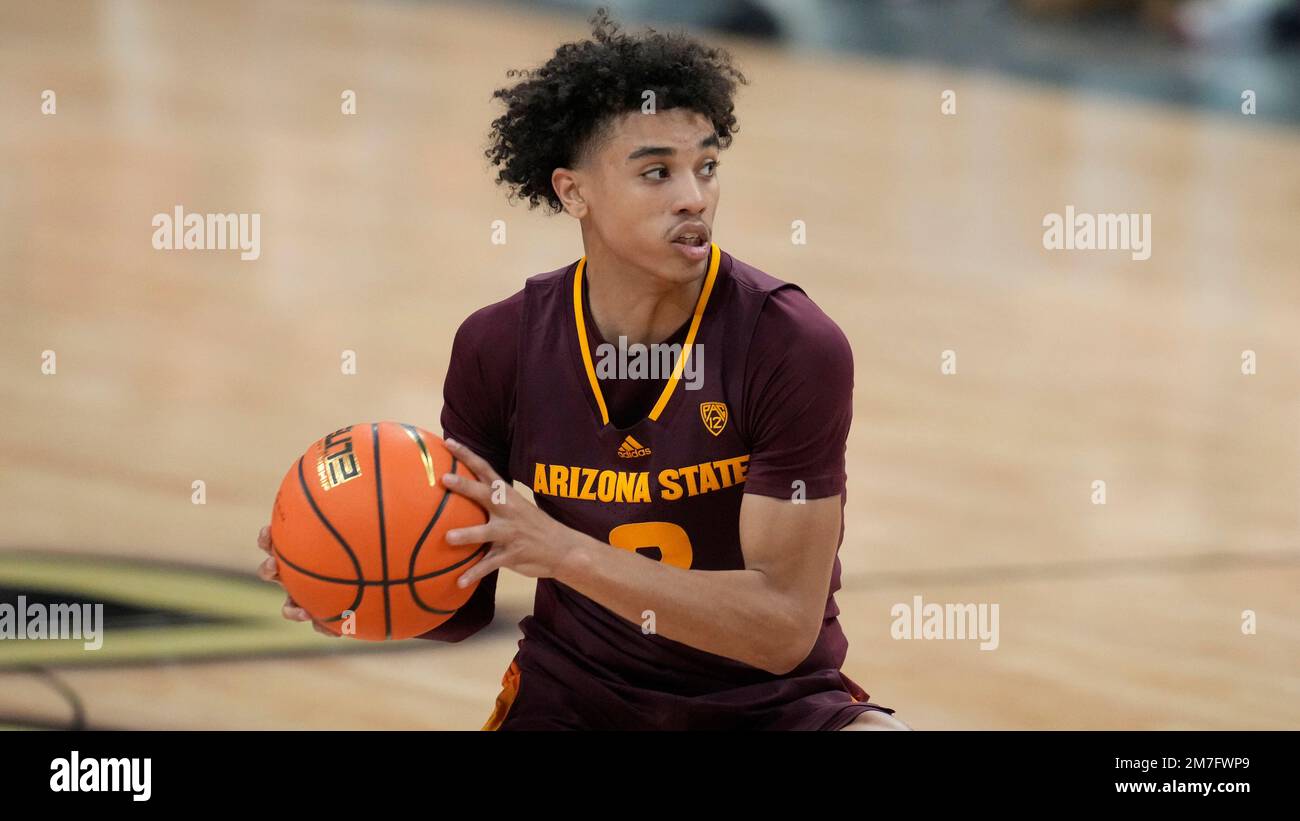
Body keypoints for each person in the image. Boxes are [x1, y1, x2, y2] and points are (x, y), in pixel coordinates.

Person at [257, 8, 907, 731]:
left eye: (707, 165)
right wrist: (353, 584)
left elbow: (784, 629)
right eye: (657, 171)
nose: (694, 195)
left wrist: (564, 551)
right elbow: (462, 605)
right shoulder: (497, 347)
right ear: (574, 192)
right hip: (575, 704)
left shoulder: (791, 345)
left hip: (766, 705)